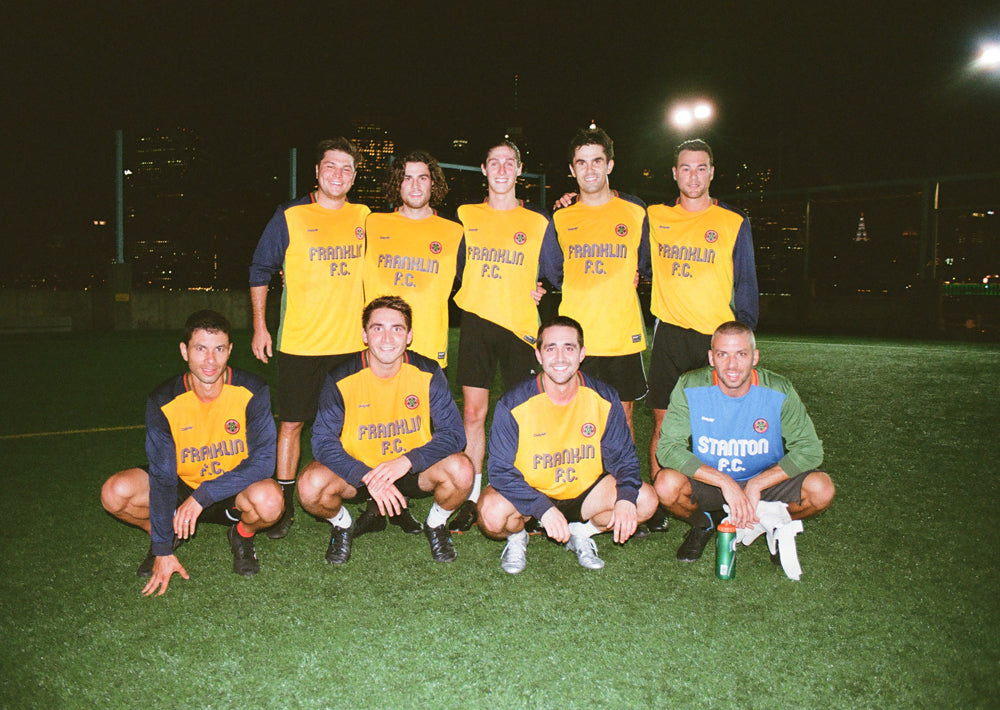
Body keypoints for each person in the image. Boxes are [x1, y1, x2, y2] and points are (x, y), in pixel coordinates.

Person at [100, 310, 281, 596]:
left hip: (233, 487)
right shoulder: (164, 400)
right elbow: (161, 474)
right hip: (181, 487)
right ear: (184, 351)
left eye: (219, 349)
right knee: (114, 492)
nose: (210, 360)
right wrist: (161, 548)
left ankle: (242, 534)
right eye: (200, 348)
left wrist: (203, 496)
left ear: (230, 351)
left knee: (270, 501)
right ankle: (164, 535)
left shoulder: (252, 389)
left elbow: (263, 463)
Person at [249, 137, 370, 540]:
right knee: (292, 424)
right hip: (300, 343)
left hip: (353, 344)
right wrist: (261, 327)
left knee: (356, 426)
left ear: (354, 177)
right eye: (330, 167)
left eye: (346, 168)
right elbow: (260, 271)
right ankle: (282, 507)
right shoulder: (290, 215)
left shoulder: (365, 216)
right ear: (316, 172)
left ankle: (369, 496)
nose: (338, 174)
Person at [297, 296, 474, 563]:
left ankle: (436, 523)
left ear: (409, 336)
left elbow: (454, 434)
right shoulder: (341, 376)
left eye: (397, 328)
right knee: (310, 486)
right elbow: (322, 441)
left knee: (462, 470)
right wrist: (366, 475)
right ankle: (342, 525)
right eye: (377, 328)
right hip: (359, 474)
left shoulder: (427, 371)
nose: (387, 338)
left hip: (412, 471)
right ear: (364, 335)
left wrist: (406, 461)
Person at [477, 316, 658, 574]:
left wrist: (626, 498)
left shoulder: (603, 396)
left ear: (582, 353)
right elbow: (499, 471)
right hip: (533, 491)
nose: (560, 357)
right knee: (490, 515)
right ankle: (518, 536)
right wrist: (543, 509)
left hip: (585, 491)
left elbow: (624, 458)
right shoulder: (514, 403)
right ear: (538, 355)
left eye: (569, 347)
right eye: (551, 348)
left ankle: (581, 532)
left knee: (645, 500)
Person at [449, 139, 562, 532]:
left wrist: (540, 288)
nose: (500, 169)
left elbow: (555, 273)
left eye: (508, 163)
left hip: (520, 328)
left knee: (524, 416)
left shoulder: (538, 221)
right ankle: (471, 495)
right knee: (473, 413)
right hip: (478, 324)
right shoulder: (465, 216)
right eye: (493, 162)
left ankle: (526, 495)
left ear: (519, 170)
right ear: (483, 169)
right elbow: (455, 267)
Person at [654, 321, 834, 563]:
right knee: (665, 485)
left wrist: (758, 483)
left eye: (741, 354)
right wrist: (725, 482)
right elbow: (667, 449)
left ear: (755, 357)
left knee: (822, 489)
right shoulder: (690, 386)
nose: (731, 365)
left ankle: (772, 520)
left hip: (765, 480)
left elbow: (810, 449)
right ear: (711, 357)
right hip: (712, 481)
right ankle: (705, 524)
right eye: (722, 354)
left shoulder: (778, 389)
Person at [645, 139, 759, 515]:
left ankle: (725, 504)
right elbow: (628, 250)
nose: (693, 175)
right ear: (674, 173)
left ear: (712, 172)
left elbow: (746, 285)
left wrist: (743, 342)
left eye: (701, 167)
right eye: (686, 168)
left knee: (719, 428)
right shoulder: (655, 216)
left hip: (715, 340)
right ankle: (662, 504)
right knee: (663, 422)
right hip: (670, 335)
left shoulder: (733, 220)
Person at [357, 150, 464, 536]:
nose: (415, 185)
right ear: (395, 184)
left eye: (423, 177)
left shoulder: (454, 231)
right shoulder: (372, 222)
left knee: (418, 432)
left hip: (427, 351)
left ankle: (405, 504)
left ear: (433, 183)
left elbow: (487, 275)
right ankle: (377, 505)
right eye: (407, 177)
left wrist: (533, 289)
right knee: (374, 431)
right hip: (380, 349)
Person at [552, 127, 650, 437]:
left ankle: (625, 485)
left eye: (597, 161)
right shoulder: (560, 217)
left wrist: (635, 274)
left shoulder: (636, 211)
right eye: (581, 162)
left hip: (621, 334)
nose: (590, 169)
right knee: (574, 420)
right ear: (572, 169)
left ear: (609, 165)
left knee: (622, 420)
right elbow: (552, 271)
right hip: (575, 338)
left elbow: (650, 262)